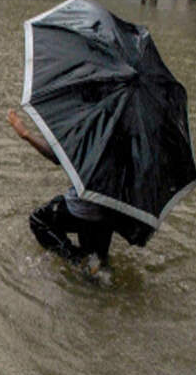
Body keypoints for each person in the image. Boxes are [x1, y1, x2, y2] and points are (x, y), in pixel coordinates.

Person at [7, 108, 116, 276]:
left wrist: (26, 134)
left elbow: (57, 156)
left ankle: (75, 259)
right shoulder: (129, 139)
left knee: (38, 219)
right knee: (98, 264)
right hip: (109, 214)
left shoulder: (96, 130)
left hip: (83, 207)